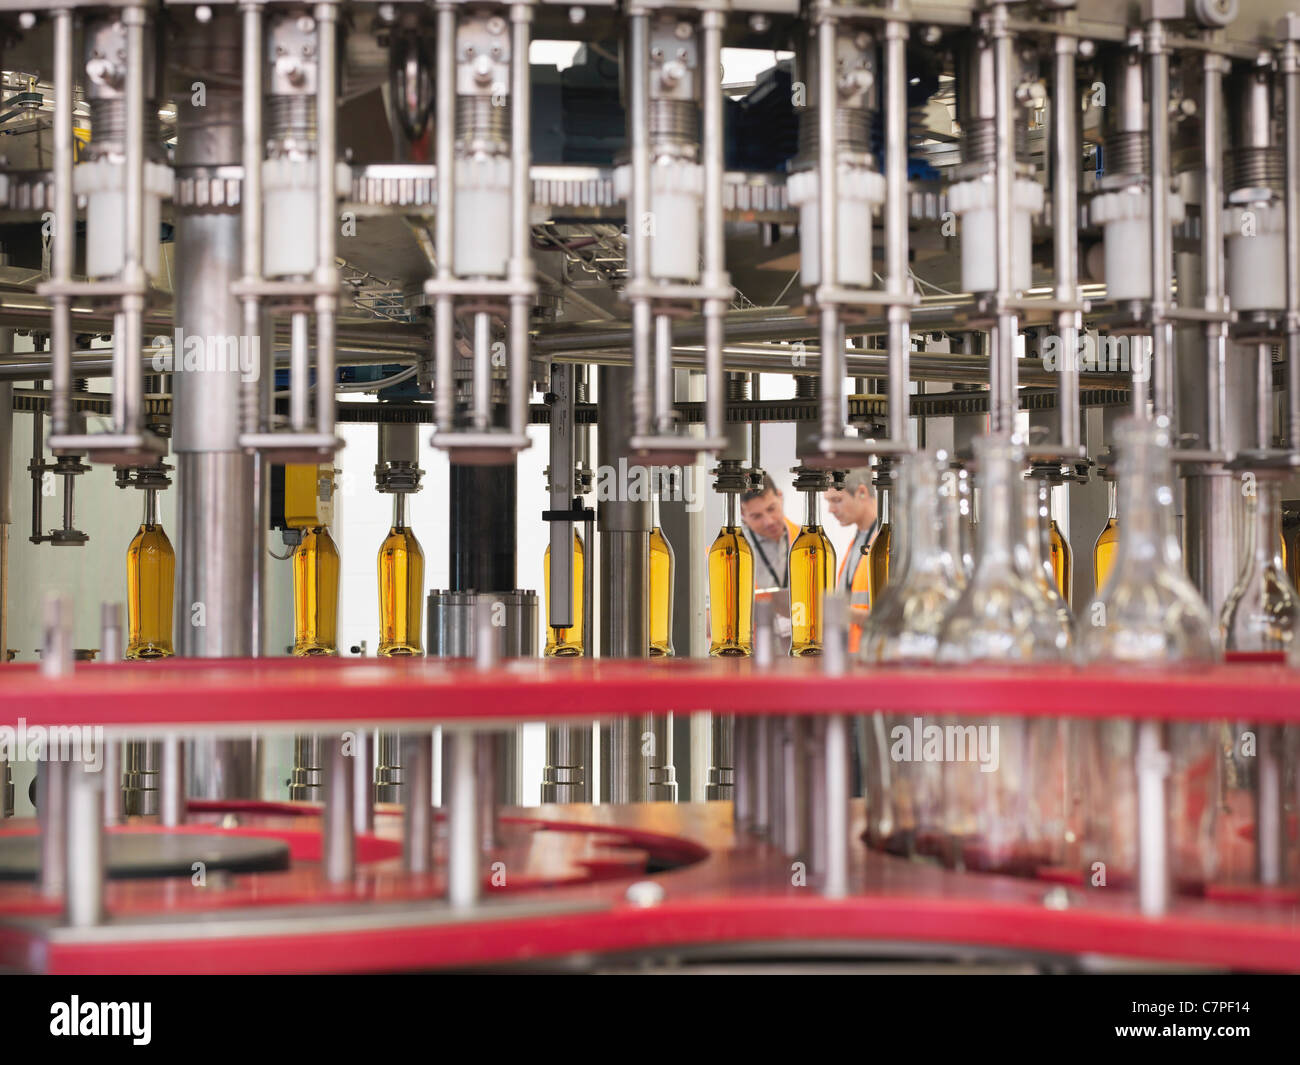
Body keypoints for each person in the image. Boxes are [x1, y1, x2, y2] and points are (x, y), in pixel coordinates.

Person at [825, 468, 878, 653]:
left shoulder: (887, 543)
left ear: (862, 492)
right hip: (855, 653)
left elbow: (897, 615)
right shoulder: (859, 541)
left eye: (837, 500)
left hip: (877, 655)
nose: (830, 509)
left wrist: (842, 613)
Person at [739, 474, 800, 593]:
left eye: (771, 509)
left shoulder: (810, 540)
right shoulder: (727, 554)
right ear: (743, 515)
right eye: (757, 516)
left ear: (780, 497)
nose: (769, 522)